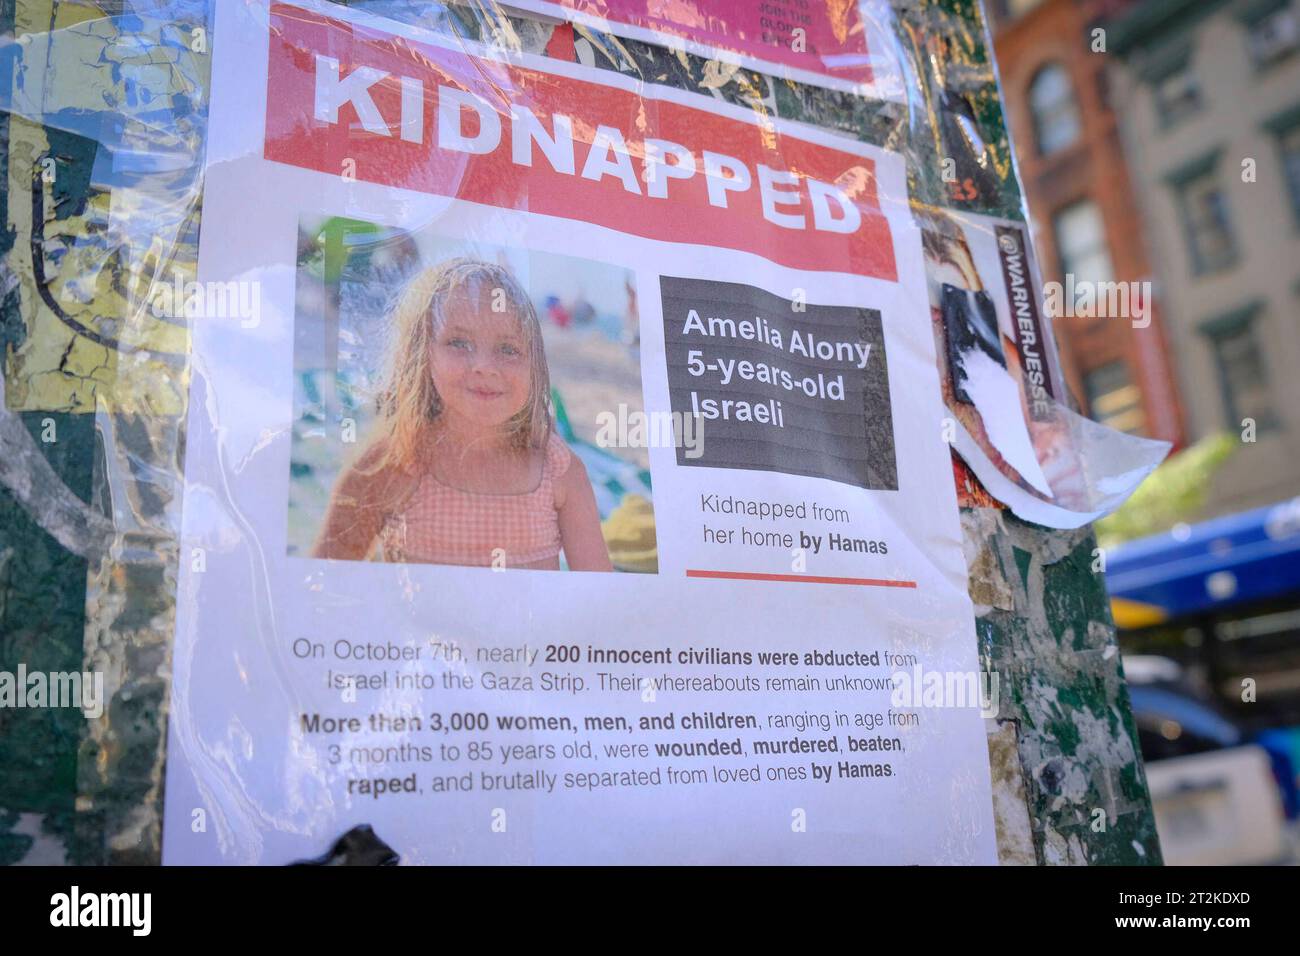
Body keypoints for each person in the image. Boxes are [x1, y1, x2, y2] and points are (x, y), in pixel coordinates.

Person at [313, 257, 612, 571]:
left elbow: (600, 597)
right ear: (422, 353)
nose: (484, 365)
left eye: (508, 349)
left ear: (534, 366)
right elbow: (320, 585)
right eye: (459, 342)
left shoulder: (558, 471)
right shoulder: (389, 465)